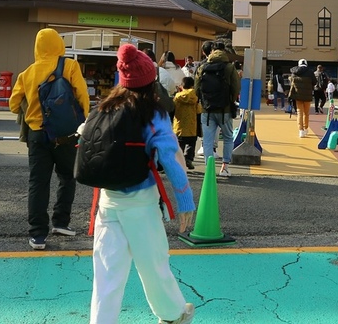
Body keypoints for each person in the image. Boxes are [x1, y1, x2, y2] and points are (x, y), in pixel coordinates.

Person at [89, 43, 196, 324]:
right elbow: (171, 159)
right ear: (150, 80)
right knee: (153, 264)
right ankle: (172, 314)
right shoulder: (152, 113)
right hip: (141, 201)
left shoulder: (105, 107)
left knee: (106, 273)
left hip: (107, 201)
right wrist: (185, 201)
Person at [9, 28, 91, 250]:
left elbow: (13, 104)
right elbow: (83, 96)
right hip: (65, 135)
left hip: (37, 135)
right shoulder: (70, 66)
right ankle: (61, 222)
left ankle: (37, 235)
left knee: (38, 182)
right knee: (67, 177)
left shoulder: (27, 73)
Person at [194, 40, 239, 178]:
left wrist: (204, 100)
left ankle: (209, 169)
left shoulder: (202, 67)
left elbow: (196, 89)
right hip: (224, 109)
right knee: (227, 138)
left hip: (207, 110)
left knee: (207, 140)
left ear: (212, 51)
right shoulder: (230, 67)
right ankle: (224, 167)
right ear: (224, 51)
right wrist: (230, 101)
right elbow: (236, 88)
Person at [172, 75, 200, 171]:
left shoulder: (177, 97)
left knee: (180, 145)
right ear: (192, 86)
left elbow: (172, 109)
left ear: (182, 86)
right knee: (191, 144)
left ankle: (179, 162)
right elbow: (199, 111)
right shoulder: (195, 97)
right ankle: (188, 159)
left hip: (179, 126)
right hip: (191, 126)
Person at [288, 59, 315, 137]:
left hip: (298, 95)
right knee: (306, 113)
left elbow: (292, 84)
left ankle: (300, 130)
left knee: (299, 113)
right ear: (306, 64)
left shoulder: (294, 72)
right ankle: (306, 128)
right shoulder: (310, 72)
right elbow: (315, 82)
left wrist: (290, 95)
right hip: (308, 95)